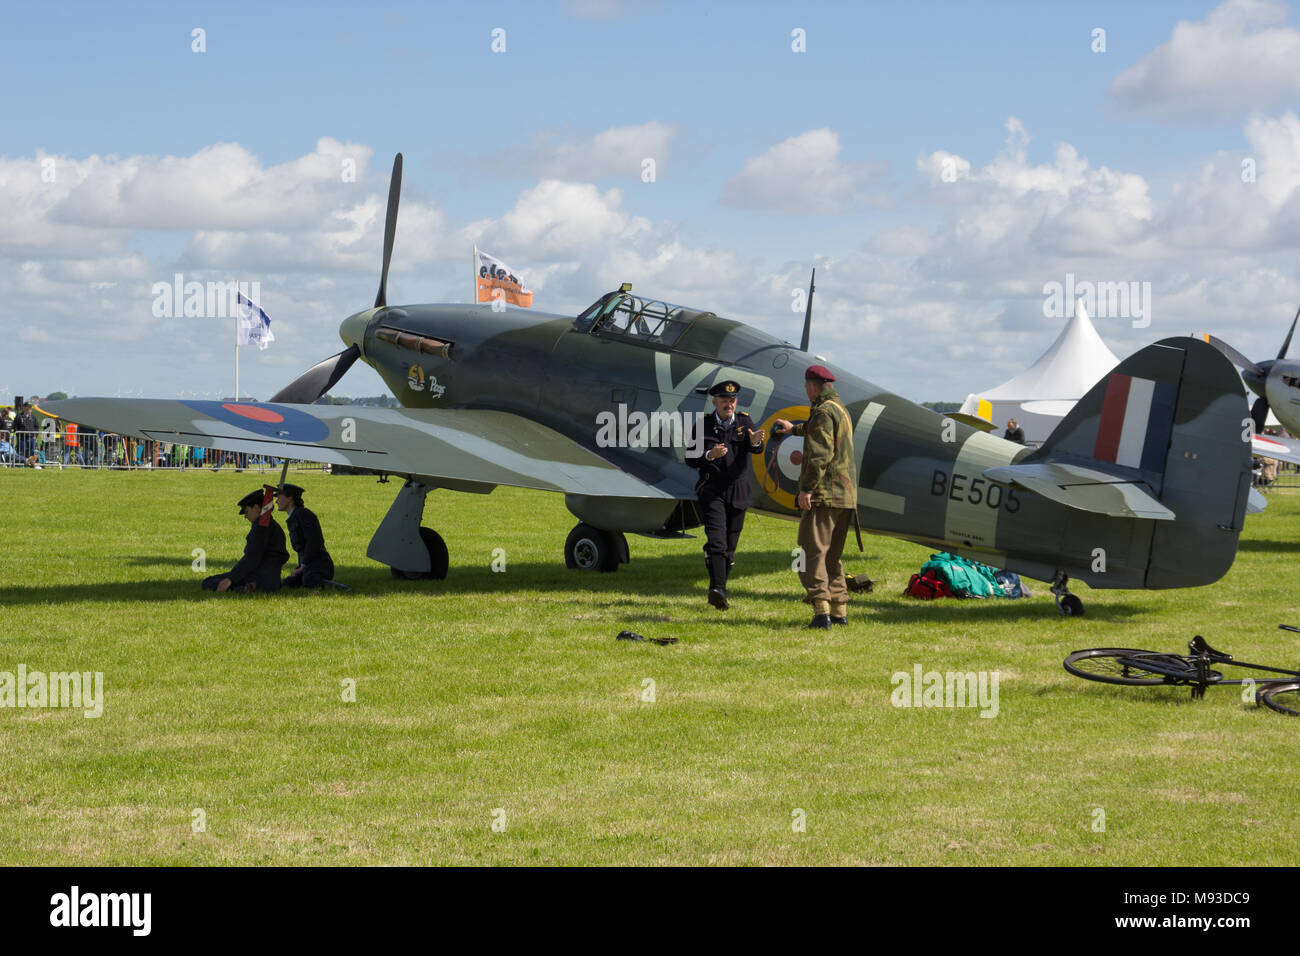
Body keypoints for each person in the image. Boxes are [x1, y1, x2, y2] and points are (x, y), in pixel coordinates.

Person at [774, 365, 859, 629]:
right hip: (845, 496)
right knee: (833, 557)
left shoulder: (822, 411)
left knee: (812, 553)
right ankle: (839, 611)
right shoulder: (839, 409)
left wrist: (807, 489)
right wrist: (793, 429)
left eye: (806, 387)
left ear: (812, 386)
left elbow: (820, 453)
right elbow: (819, 432)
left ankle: (820, 613)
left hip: (825, 495)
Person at [685, 380, 765, 609]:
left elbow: (755, 447)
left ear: (736, 402)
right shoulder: (704, 425)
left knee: (729, 547)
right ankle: (717, 589)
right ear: (715, 402)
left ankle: (719, 589)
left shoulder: (744, 421)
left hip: (738, 491)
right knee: (717, 541)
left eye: (731, 400)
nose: (728, 404)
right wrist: (709, 454)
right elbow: (690, 459)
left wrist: (757, 443)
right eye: (723, 400)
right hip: (712, 490)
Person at [201, 489, 290, 594]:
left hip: (260, 575)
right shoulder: (273, 525)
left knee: (208, 582)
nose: (245, 516)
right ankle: (251, 586)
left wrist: (230, 579)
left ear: (256, 508)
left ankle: (248, 586)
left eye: (247, 511)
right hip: (272, 578)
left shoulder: (261, 528)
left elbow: (252, 558)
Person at [274, 483, 343, 589]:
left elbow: (314, 541)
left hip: (320, 564)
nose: (276, 501)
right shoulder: (294, 516)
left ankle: (336, 587)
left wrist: (302, 566)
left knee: (309, 580)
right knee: (287, 583)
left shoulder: (303, 515)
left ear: (290, 498)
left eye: (279, 497)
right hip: (307, 564)